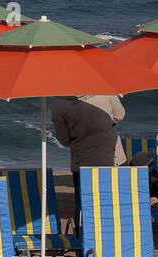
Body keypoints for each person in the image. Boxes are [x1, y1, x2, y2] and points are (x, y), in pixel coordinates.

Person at [51, 94, 124, 224]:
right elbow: (120, 115)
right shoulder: (104, 91)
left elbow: (64, 141)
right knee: (115, 199)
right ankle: (114, 234)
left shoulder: (59, 104)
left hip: (82, 161)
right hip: (112, 157)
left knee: (83, 204)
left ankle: (84, 237)